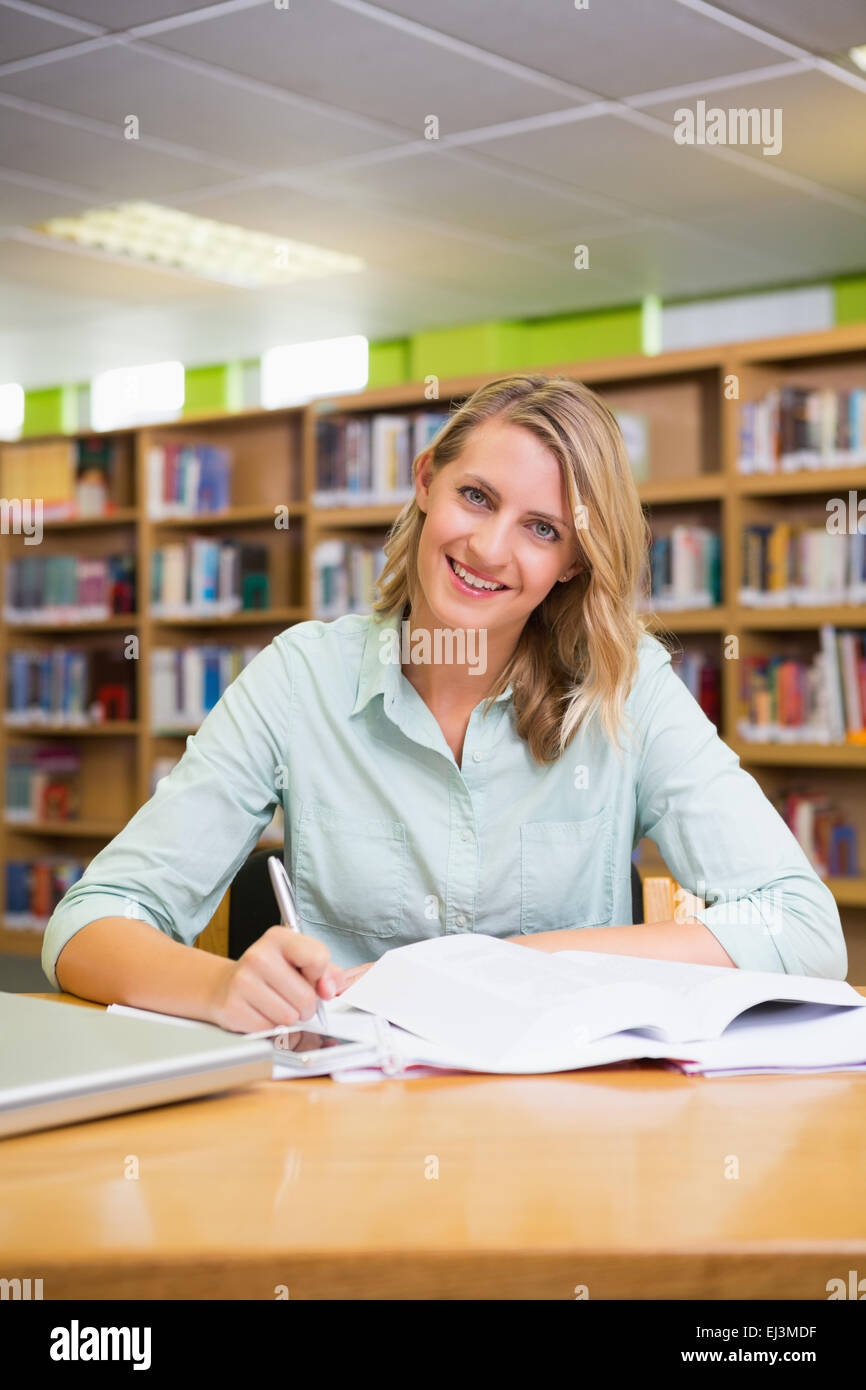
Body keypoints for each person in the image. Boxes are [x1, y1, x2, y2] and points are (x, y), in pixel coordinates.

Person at [43, 375, 847, 1032]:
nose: (490, 549)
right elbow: (88, 924)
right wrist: (221, 989)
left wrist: (504, 963)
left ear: (573, 561)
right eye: (476, 496)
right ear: (425, 479)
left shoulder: (625, 685)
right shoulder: (301, 680)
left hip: (567, 1130)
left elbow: (803, 928)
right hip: (352, 1119)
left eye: (541, 528)